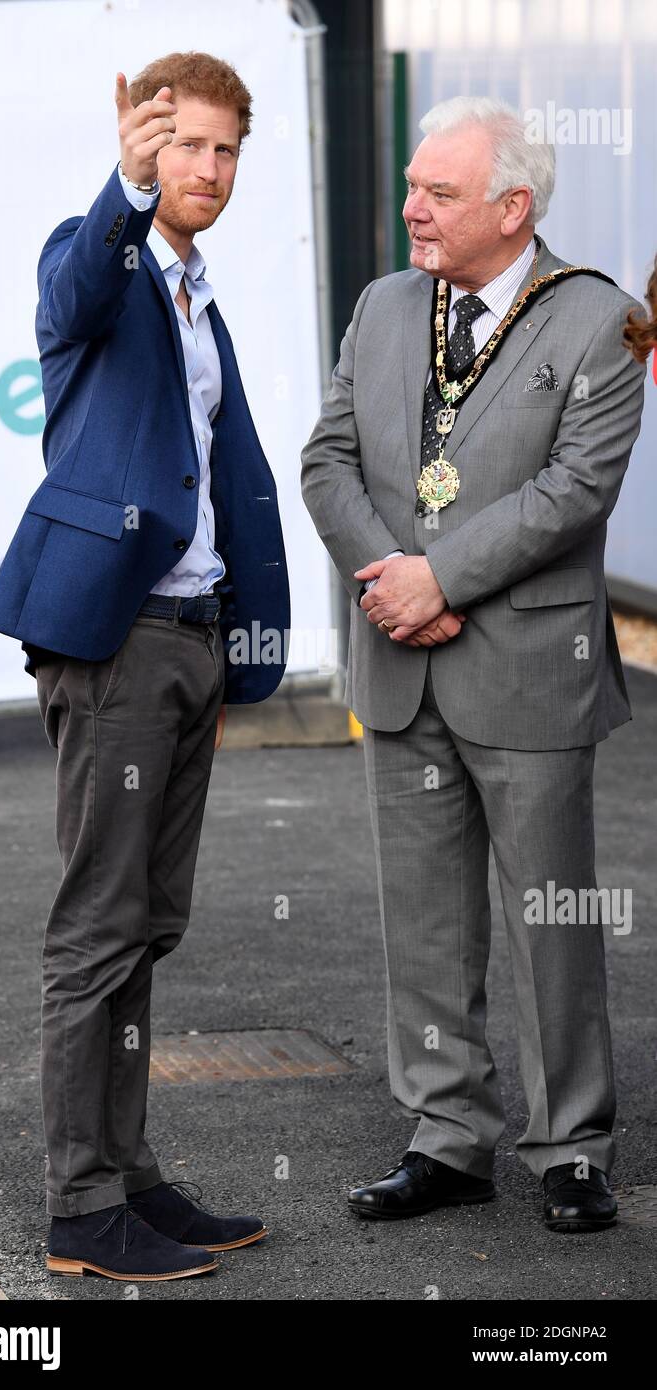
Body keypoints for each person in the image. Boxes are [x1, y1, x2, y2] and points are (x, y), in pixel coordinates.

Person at [301, 96, 647, 1234]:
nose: (410, 210)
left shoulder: (596, 321)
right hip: (400, 659)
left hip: (525, 669)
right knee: (427, 919)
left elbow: (573, 492)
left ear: (513, 206)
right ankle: (447, 1134)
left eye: (436, 194)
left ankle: (570, 1146)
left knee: (549, 912)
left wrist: (435, 579)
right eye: (409, 185)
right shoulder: (386, 304)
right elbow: (329, 456)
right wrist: (387, 576)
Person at [0, 51, 290, 1282]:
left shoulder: (200, 296)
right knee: (97, 929)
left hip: (188, 641)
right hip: (115, 644)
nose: (204, 170)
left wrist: (230, 651)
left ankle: (130, 1174)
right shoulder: (98, 264)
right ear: (146, 150)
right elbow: (68, 295)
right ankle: (78, 1209)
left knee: (147, 926)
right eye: (184, 146)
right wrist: (118, 181)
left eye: (224, 151)